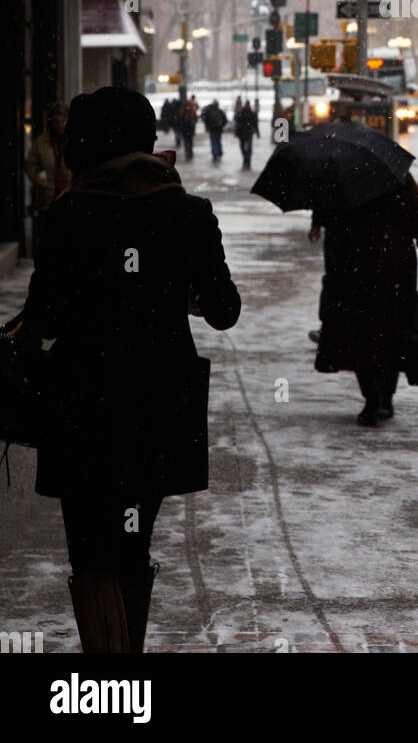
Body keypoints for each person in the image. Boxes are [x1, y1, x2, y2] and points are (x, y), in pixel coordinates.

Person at [18, 86, 241, 654]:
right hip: (159, 404)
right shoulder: (189, 213)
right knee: (131, 543)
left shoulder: (69, 213)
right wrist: (175, 288)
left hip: (81, 404)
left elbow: (45, 316)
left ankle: (106, 678)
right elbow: (224, 311)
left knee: (89, 554)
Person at [309, 166, 418, 427]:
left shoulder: (342, 178)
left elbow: (329, 215)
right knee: (391, 334)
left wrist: (319, 221)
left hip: (353, 269)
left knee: (362, 336)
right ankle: (384, 398)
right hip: (393, 269)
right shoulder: (400, 179)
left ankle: (373, 397)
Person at [24, 101, 70, 247]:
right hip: (47, 198)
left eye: (63, 121)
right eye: (56, 122)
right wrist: (41, 179)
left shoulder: (71, 141)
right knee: (47, 239)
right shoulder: (41, 142)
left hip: (69, 196)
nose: (60, 125)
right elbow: (31, 165)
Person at [235, 99, 258, 170]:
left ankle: (247, 161)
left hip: (246, 133)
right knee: (245, 147)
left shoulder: (247, 113)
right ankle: (246, 160)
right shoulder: (245, 113)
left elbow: (255, 123)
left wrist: (257, 132)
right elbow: (237, 122)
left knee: (246, 148)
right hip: (245, 133)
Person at [177, 94, 198, 161]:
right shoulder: (192, 110)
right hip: (191, 128)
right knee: (190, 141)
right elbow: (196, 119)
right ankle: (190, 152)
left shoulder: (183, 110)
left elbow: (180, 117)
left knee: (186, 141)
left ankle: (187, 152)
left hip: (184, 129)